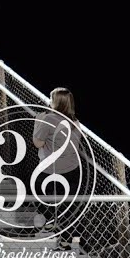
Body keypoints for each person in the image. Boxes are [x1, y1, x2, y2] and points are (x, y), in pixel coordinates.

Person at [33, 87, 83, 240]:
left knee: (38, 194)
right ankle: (68, 239)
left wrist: (37, 122)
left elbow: (37, 142)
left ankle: (52, 223)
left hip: (52, 170)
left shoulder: (48, 119)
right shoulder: (76, 122)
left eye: (51, 98)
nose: (48, 101)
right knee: (68, 205)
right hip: (73, 169)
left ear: (56, 102)